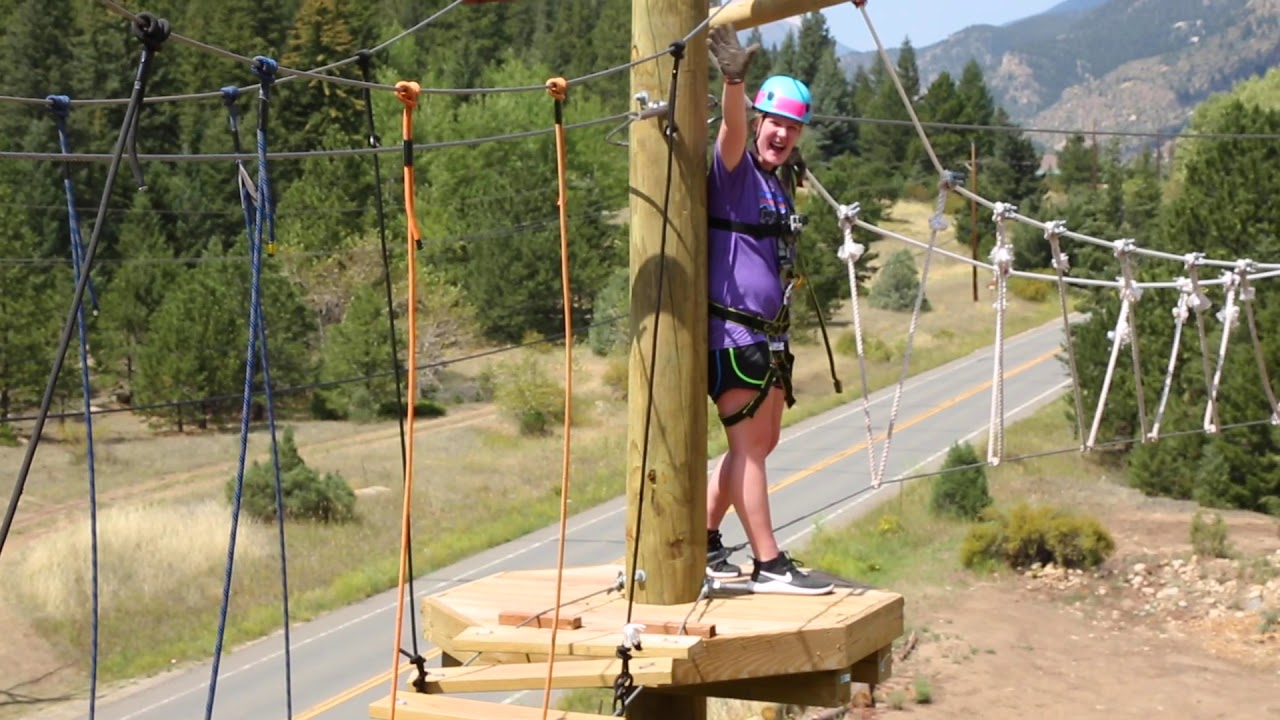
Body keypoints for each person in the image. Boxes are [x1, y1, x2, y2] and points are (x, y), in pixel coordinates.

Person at [703, 24, 834, 596]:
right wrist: (734, 79)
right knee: (749, 448)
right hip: (734, 331)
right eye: (774, 121)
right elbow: (731, 127)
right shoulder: (734, 171)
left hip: (768, 334)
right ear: (760, 120)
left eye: (791, 125)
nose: (781, 133)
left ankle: (707, 540)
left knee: (761, 442)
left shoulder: (778, 183)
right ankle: (768, 562)